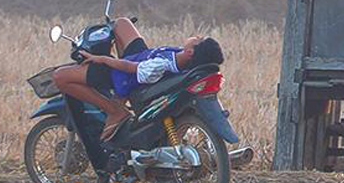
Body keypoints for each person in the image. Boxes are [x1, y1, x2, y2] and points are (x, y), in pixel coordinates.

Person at [52, 18, 224, 142]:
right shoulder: (182, 57)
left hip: (121, 75)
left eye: (198, 40)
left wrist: (101, 59)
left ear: (191, 53)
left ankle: (114, 110)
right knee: (121, 23)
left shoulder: (160, 65)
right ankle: (117, 102)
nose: (197, 36)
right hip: (139, 58)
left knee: (60, 77)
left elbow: (128, 68)